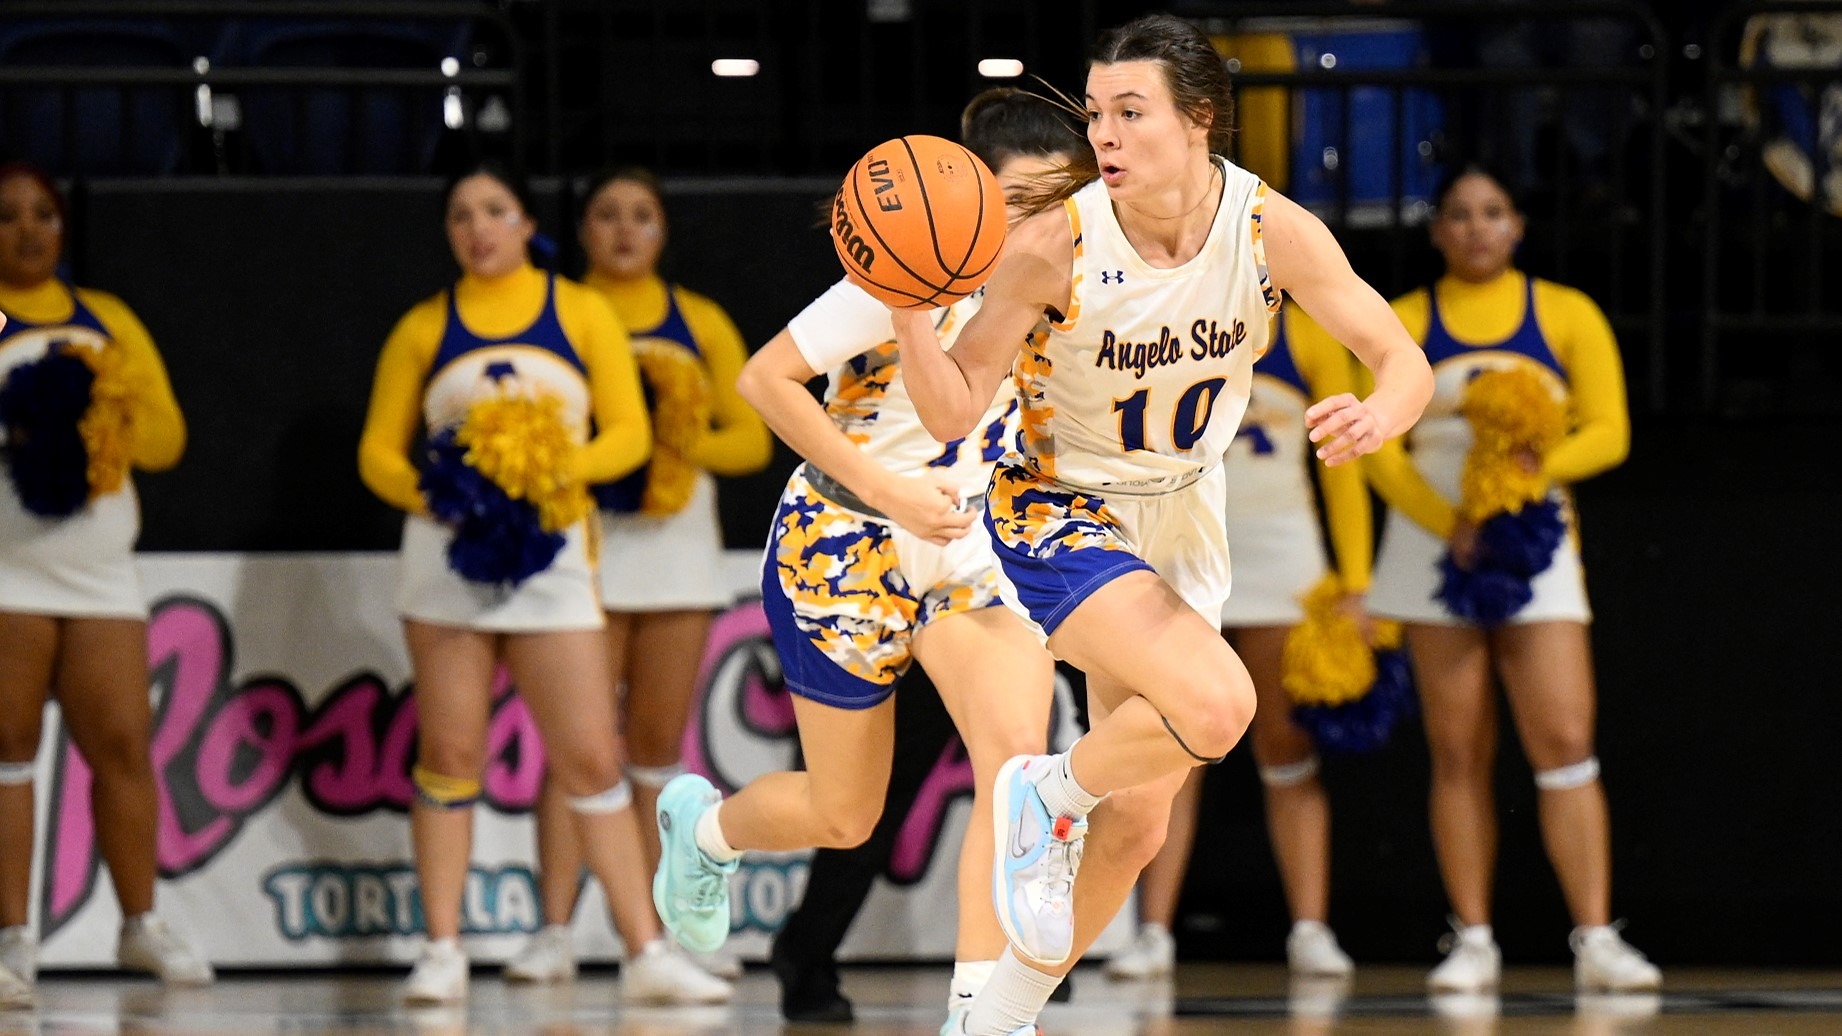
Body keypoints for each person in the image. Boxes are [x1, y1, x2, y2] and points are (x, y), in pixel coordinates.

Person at [893, 16, 1435, 1036]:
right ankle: (1047, 791)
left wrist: (1381, 414)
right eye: (1097, 113)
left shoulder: (1270, 228)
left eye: (1131, 112)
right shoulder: (1054, 244)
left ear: (1199, 121)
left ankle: (994, 1018)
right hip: (1063, 509)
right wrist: (909, 315)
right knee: (1222, 706)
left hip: (1185, 512)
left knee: (1141, 823)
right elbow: (956, 408)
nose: (1104, 134)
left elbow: (1401, 358)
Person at [648, 87, 1080, 1030]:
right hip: (843, 540)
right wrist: (887, 491)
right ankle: (706, 830)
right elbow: (763, 379)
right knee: (845, 816)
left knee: (1015, 770)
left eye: (1058, 201)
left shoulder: (1073, 281)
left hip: (971, 549)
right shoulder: (905, 267)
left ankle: (983, 1016)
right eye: (1020, 202)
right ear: (971, 197)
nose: (1040, 222)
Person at [356, 162, 727, 1006]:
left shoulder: (579, 311)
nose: (477, 228)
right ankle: (442, 950)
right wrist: (444, 495)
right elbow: (377, 450)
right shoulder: (424, 325)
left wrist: (548, 474)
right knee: (450, 753)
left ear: (526, 223)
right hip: (449, 561)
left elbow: (628, 434)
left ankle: (644, 952)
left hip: (554, 560)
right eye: (460, 216)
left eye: (494, 210)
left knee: (591, 756)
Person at [1360, 163, 1658, 995]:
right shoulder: (1405, 321)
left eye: (1493, 212)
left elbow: (1610, 430)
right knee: (1458, 750)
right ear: (1437, 232)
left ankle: (1596, 938)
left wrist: (1524, 488)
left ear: (1518, 225)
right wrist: (1448, 521)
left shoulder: (1565, 313)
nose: (1476, 228)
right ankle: (1474, 939)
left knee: (1565, 743)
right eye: (1459, 214)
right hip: (1434, 550)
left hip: (1534, 546)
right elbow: (1376, 447)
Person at [504, 166, 769, 985]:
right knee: (578, 748)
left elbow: (752, 439)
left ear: (663, 230)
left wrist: (675, 443)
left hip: (676, 551)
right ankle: (553, 931)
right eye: (607, 215)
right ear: (581, 229)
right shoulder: (561, 314)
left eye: (641, 215)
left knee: (656, 748)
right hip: (584, 549)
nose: (624, 230)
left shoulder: (699, 320)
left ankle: (664, 934)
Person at [1104, 303, 1372, 982]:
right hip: (1185, 554)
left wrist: (1356, 579)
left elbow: (1341, 465)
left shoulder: (1310, 333)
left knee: (1287, 745)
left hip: (1285, 559)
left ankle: (1310, 929)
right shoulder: (1172, 316)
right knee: (1173, 747)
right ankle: (1152, 933)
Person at [0, 161, 213, 1004]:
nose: (28, 230)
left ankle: (140, 924)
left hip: (97, 571)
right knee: (8, 750)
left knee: (123, 745)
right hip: (9, 569)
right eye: (8, 215)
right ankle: (12, 940)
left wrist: (96, 413)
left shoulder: (106, 318)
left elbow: (166, 440)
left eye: (43, 214)